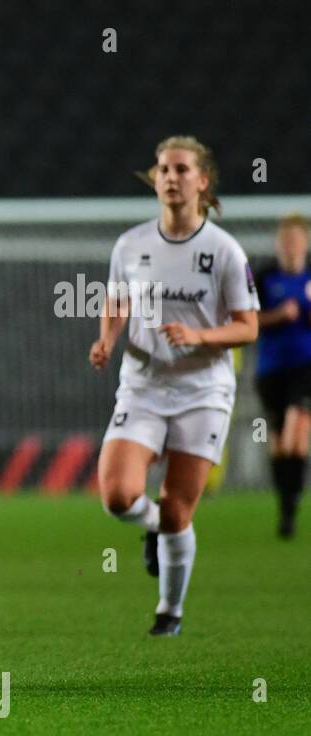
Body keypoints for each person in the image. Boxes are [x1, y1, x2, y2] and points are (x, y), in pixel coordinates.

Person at [90, 135, 258, 636]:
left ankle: (169, 612)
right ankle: (153, 527)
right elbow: (117, 300)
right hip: (142, 386)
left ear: (202, 181)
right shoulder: (131, 244)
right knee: (117, 495)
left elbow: (248, 326)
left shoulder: (223, 251)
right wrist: (106, 339)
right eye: (163, 169)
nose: (170, 177)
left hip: (202, 391)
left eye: (181, 169)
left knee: (178, 507)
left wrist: (199, 335)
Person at [253, 214, 311, 538]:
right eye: (285, 240)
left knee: (295, 431)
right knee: (277, 442)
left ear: (305, 243)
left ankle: (291, 503)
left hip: (306, 366)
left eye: (295, 240)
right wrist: (278, 315)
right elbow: (249, 320)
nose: (290, 246)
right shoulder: (264, 277)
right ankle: (285, 503)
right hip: (271, 368)